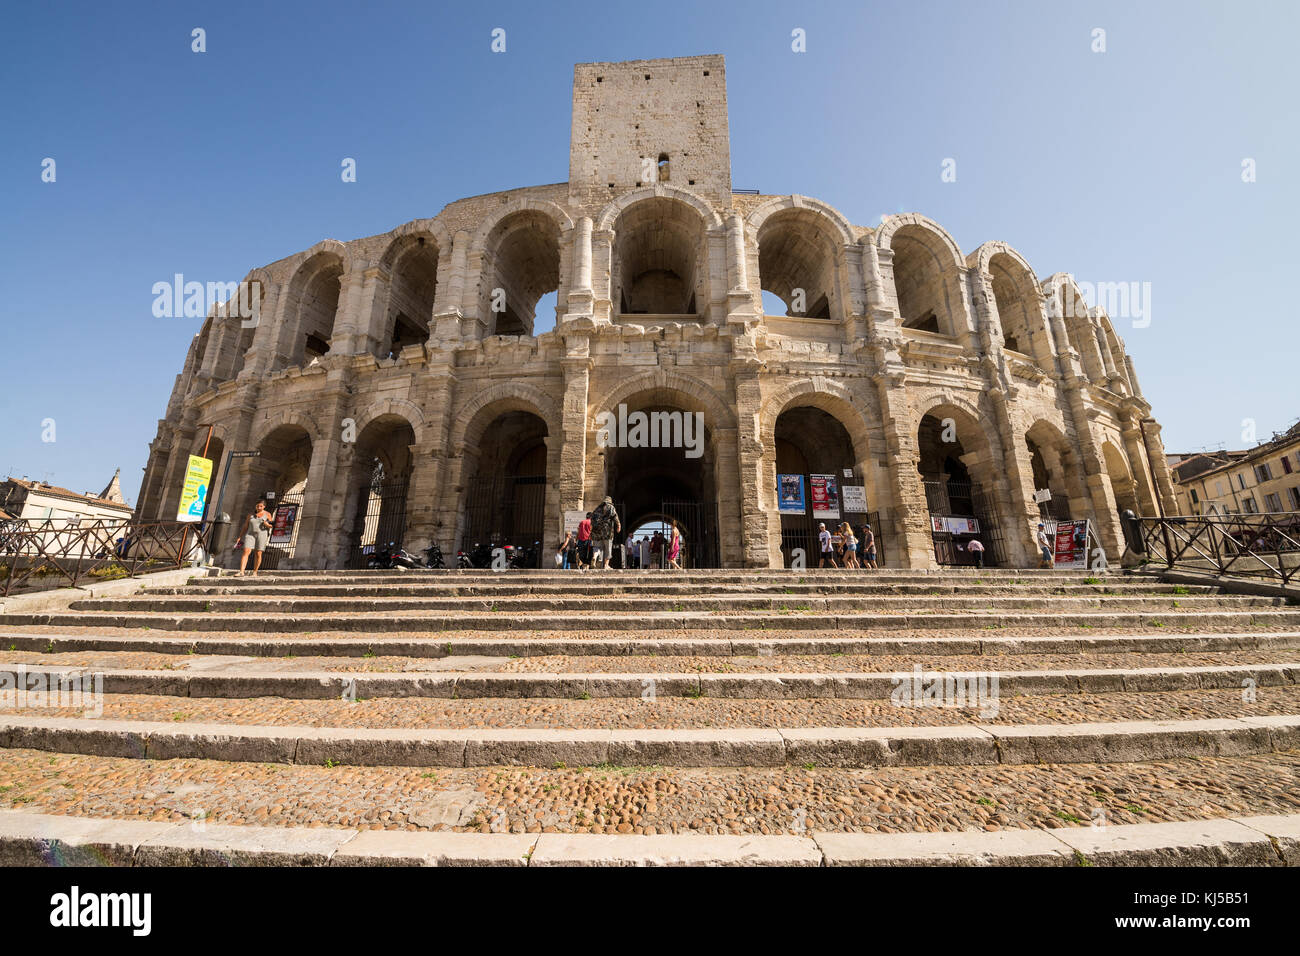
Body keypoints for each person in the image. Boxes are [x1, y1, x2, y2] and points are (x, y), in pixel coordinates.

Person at [236, 500, 273, 575]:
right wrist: (240, 536)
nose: (259, 508)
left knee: (258, 553)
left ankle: (255, 572)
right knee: (246, 551)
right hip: (250, 534)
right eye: (257, 506)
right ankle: (241, 571)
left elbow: (272, 525)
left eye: (261, 506)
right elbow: (245, 526)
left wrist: (266, 524)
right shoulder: (250, 515)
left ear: (264, 507)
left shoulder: (267, 514)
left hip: (262, 535)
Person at [591, 497, 621, 570]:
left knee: (597, 547)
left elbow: (592, 519)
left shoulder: (597, 508)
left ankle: (594, 557)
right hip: (607, 531)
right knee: (608, 549)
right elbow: (615, 516)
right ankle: (606, 565)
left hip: (596, 532)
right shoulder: (610, 507)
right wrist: (619, 525)